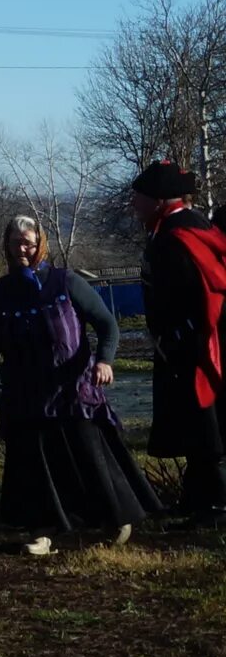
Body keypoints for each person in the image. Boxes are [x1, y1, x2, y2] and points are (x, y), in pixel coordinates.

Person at [0, 214, 156, 551]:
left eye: (28, 242)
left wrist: (105, 360)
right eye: (16, 243)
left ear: (40, 242)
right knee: (33, 465)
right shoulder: (0, 294)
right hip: (25, 396)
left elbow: (106, 324)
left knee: (88, 454)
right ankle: (42, 530)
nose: (22, 249)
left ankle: (115, 520)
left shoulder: (66, 282)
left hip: (72, 390)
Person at [131, 160, 226, 523]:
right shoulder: (172, 229)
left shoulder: (179, 234)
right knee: (191, 421)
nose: (134, 204)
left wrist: (175, 339)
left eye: (138, 197)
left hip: (196, 346)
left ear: (158, 199)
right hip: (185, 343)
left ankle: (215, 502)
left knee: (205, 422)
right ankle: (196, 498)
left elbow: (204, 297)